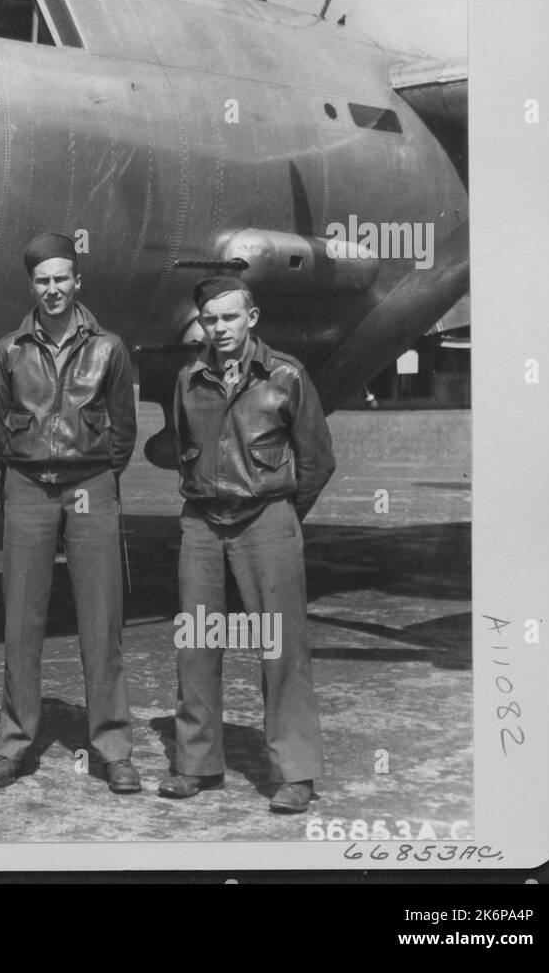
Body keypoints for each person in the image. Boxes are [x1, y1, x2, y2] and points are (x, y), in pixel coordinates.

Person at [159, 276, 335, 814]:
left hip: (266, 520)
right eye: (211, 319)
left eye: (230, 317)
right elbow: (185, 447)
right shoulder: (189, 377)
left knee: (281, 647)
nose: (220, 328)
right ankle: (196, 763)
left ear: (251, 319)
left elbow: (317, 459)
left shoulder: (286, 374)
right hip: (203, 524)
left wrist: (281, 514)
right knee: (196, 644)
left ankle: (296, 773)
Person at [0, 233, 141, 794]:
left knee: (102, 620)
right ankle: (14, 745)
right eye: (42, 281)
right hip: (27, 486)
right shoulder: (8, 350)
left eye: (61, 279)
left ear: (78, 282)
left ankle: (114, 747)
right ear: (32, 286)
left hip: (92, 484)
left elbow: (123, 430)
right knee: (21, 621)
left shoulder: (110, 349)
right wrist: (30, 470)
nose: (52, 289)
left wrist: (93, 472)